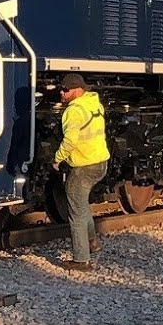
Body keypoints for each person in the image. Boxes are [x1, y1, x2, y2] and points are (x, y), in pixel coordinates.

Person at [51, 73, 109, 271]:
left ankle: (81, 260)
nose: (62, 92)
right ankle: (92, 242)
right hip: (100, 162)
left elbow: (69, 142)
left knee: (75, 212)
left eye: (65, 90)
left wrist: (57, 159)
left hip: (84, 166)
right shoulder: (95, 104)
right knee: (81, 204)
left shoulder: (73, 111)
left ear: (77, 90)